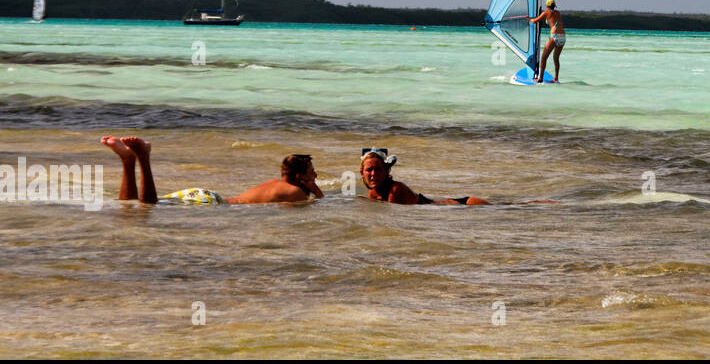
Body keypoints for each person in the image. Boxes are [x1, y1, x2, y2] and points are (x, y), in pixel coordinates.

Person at [99, 135, 322, 204]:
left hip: (206, 197)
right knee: (148, 205)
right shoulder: (295, 193)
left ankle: (128, 161)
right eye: (312, 172)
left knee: (129, 206)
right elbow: (318, 203)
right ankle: (142, 157)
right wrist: (316, 191)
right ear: (300, 177)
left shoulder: (276, 183)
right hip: (211, 204)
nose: (316, 175)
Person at [358, 148, 488, 205]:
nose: (373, 174)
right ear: (362, 173)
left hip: (462, 206)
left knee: (505, 208)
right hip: (450, 208)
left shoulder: (395, 190)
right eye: (369, 170)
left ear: (386, 171)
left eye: (378, 169)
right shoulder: (373, 191)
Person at [528, 0, 566, 82]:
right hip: (563, 36)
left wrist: (529, 18)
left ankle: (540, 78)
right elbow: (552, 18)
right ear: (554, 5)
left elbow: (534, 21)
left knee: (544, 57)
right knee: (556, 58)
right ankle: (556, 78)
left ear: (547, 6)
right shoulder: (558, 13)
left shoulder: (545, 13)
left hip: (554, 35)